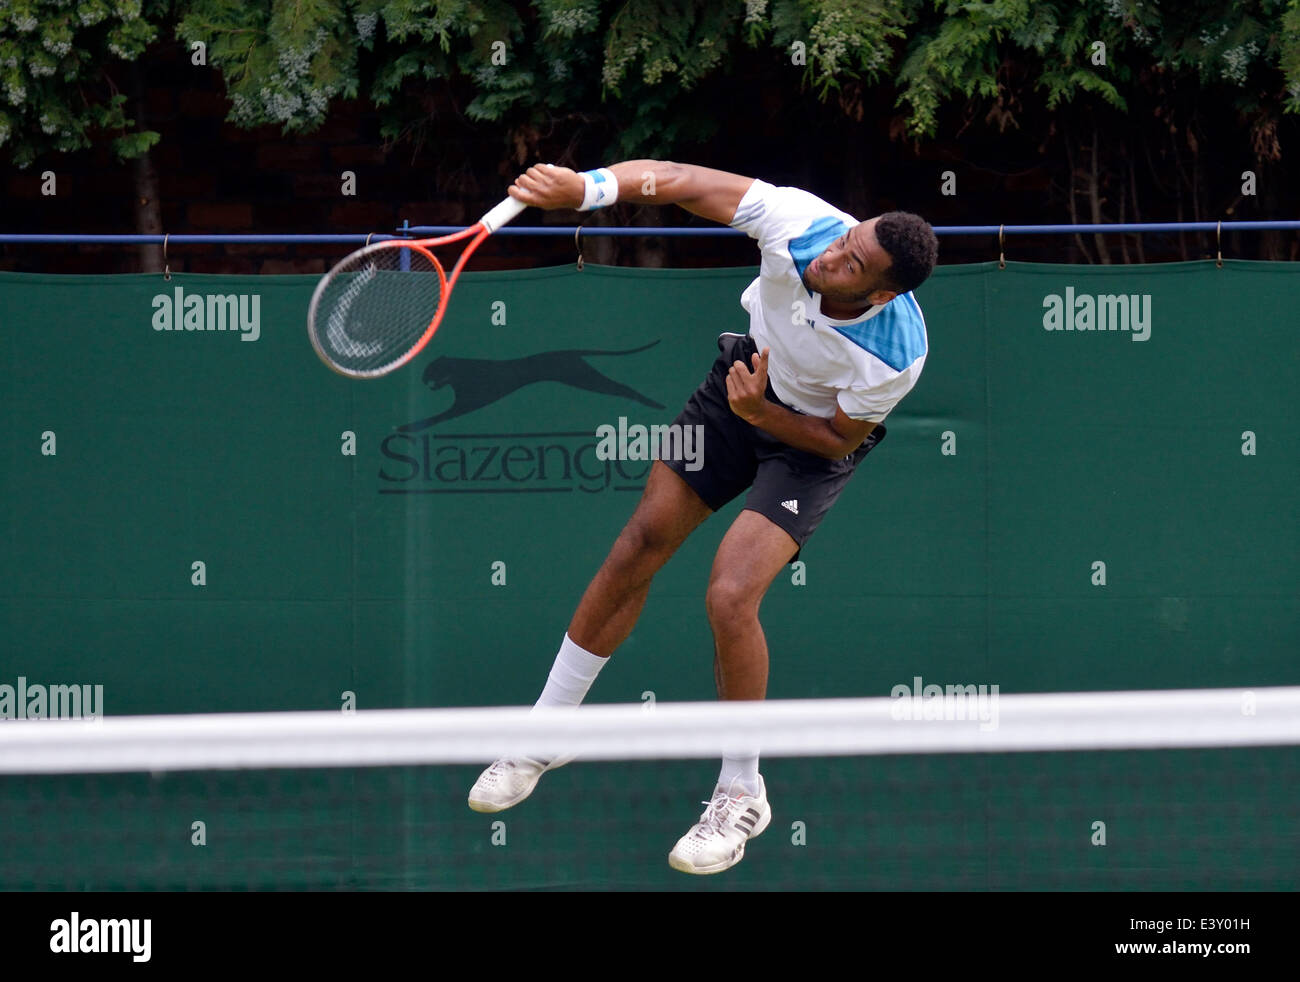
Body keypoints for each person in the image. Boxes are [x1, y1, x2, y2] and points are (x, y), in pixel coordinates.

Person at [467, 160, 938, 875]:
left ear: (883, 291)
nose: (834, 253)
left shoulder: (896, 355)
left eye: (854, 261)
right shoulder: (802, 224)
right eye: (850, 237)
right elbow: (682, 180)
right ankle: (547, 730)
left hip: (806, 444)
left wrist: (765, 415)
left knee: (729, 596)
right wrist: (587, 191)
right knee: (640, 542)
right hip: (739, 386)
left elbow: (839, 438)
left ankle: (741, 791)